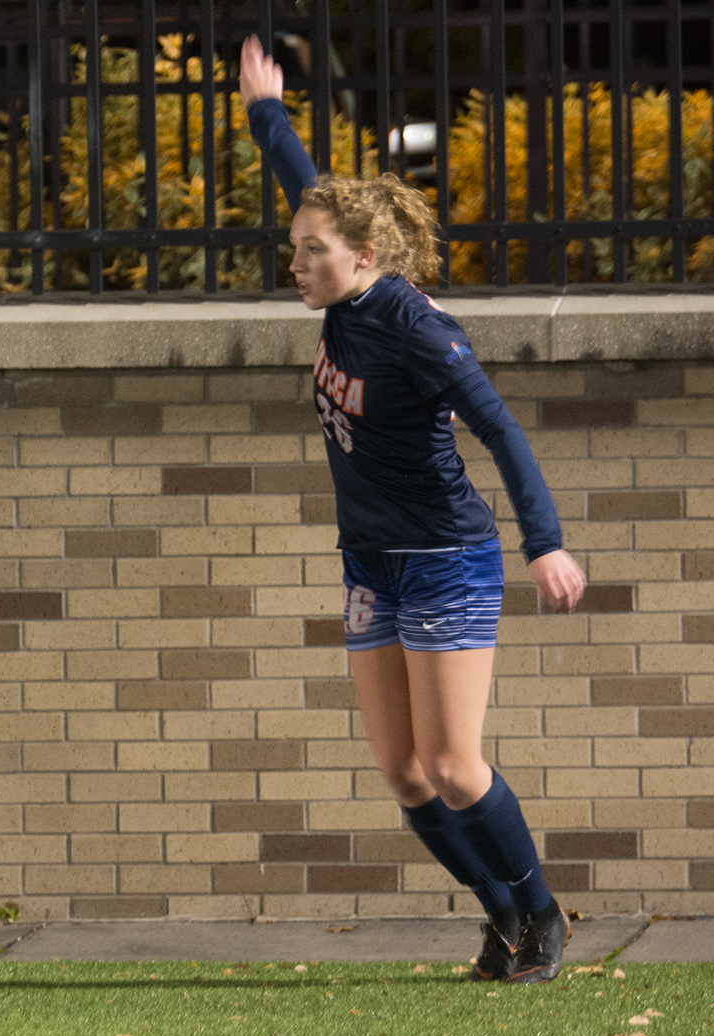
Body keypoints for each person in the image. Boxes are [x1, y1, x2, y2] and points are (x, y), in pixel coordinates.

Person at [237, 36, 588, 984]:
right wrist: (266, 113)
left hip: (444, 557)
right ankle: (501, 918)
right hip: (371, 562)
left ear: (364, 257)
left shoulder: (416, 329)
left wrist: (546, 544)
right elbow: (309, 189)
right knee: (402, 771)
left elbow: (500, 428)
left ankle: (541, 913)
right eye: (296, 246)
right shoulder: (343, 295)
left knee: (454, 765)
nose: (296, 261)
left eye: (312, 251)